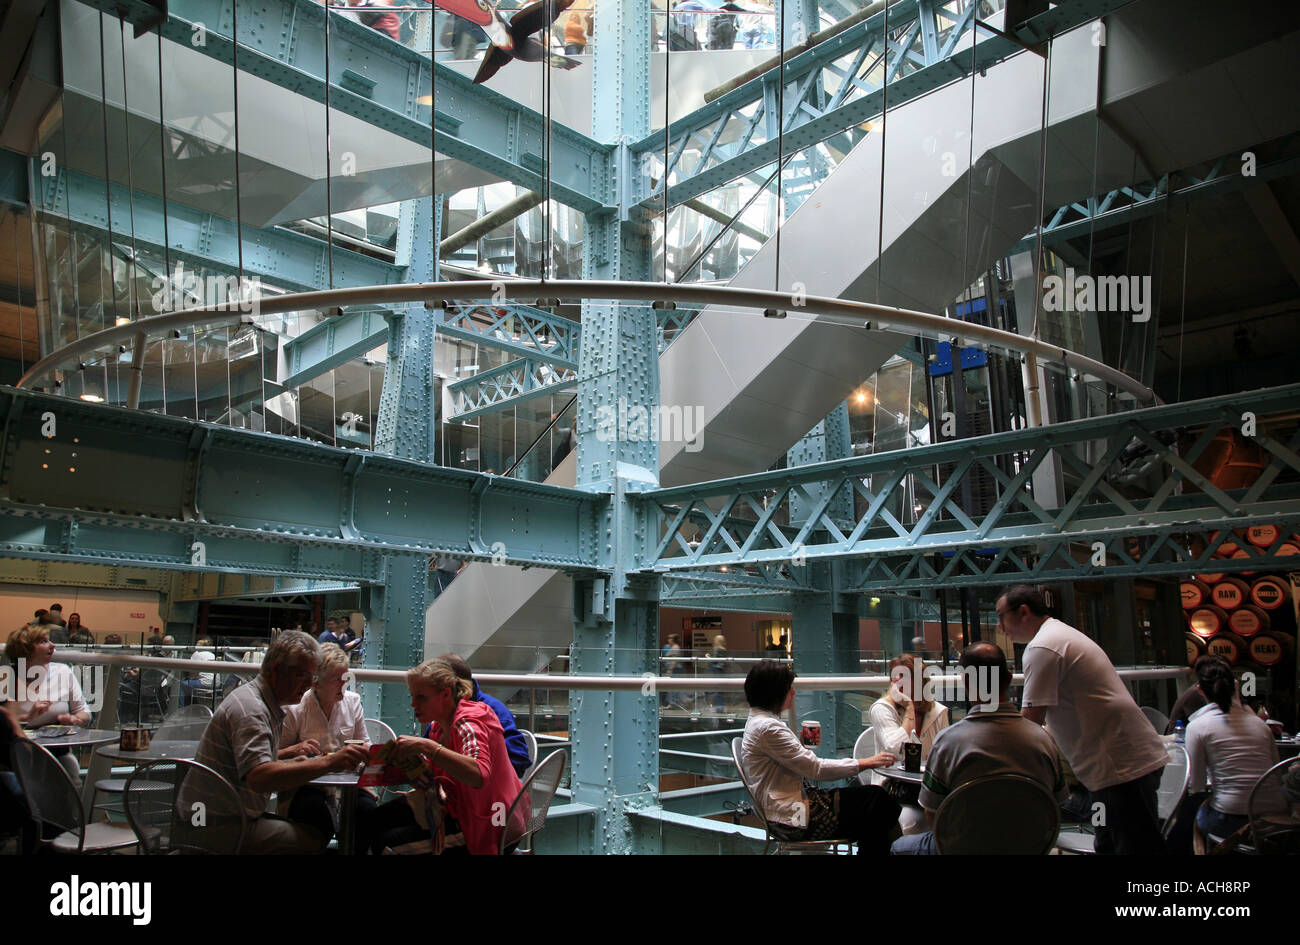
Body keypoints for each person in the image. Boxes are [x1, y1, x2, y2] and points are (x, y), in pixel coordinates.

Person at [998, 584, 1168, 854]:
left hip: (1120, 768)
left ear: (1023, 612)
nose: (1000, 627)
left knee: (1133, 847)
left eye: (1001, 617)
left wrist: (994, 754)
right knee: (1110, 844)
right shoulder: (1057, 635)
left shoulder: (1043, 646)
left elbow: (1030, 721)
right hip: (1119, 765)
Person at [190, 630, 369, 853]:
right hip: (219, 825)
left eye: (311, 678)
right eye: (303, 676)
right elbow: (260, 777)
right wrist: (330, 763)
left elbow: (252, 765)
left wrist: (291, 760)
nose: (308, 684)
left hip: (212, 816)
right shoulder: (253, 711)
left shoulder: (257, 701)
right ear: (276, 670)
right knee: (314, 838)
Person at [890, 643, 1067, 854]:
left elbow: (932, 813)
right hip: (1029, 846)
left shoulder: (948, 742)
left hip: (962, 847)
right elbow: (1057, 804)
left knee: (898, 847)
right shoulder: (1043, 740)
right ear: (1009, 679)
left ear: (966, 683)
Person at [740, 660, 901, 853]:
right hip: (793, 820)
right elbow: (816, 769)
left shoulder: (758, 722)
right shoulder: (768, 728)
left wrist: (797, 745)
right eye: (789, 688)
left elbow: (799, 764)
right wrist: (866, 762)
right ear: (775, 692)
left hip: (784, 813)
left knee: (876, 806)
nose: (793, 692)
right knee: (877, 802)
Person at [369, 658, 524, 855]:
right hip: (461, 810)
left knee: (386, 842)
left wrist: (429, 747)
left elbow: (479, 773)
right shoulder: (437, 726)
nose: (413, 704)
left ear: (445, 694)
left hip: (489, 823)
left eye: (421, 697)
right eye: (412, 696)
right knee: (375, 819)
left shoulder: (468, 722)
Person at [278, 643, 377, 854]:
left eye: (345, 678)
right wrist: (295, 750)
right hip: (307, 785)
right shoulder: (295, 709)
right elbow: (274, 757)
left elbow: (365, 745)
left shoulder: (353, 702)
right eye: (336, 680)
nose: (344, 685)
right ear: (316, 683)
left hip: (348, 786)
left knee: (367, 813)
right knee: (315, 816)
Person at [1184, 655, 1280, 844]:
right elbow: (1275, 771)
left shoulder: (1197, 726)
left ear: (1200, 690)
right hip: (1274, 817)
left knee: (1191, 814)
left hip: (1231, 816)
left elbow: (1197, 785)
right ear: (1235, 686)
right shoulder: (1259, 724)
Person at [867, 653, 949, 821]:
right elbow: (895, 749)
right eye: (894, 675)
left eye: (904, 675)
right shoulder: (882, 709)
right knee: (911, 820)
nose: (897, 680)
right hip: (894, 789)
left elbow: (946, 755)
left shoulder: (938, 712)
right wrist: (910, 709)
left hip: (929, 787)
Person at [4, 624, 91, 780]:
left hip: (58, 752)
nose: (52, 645)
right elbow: (3, 724)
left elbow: (84, 711)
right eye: (44, 641)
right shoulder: (7, 678)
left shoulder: (63, 671)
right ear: (26, 648)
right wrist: (28, 718)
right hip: (17, 754)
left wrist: (74, 720)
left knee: (70, 772)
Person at [439, 654, 531, 778]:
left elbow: (518, 762)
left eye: (422, 697)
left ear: (447, 691)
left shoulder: (493, 711)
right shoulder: (441, 717)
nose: (414, 704)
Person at [708, 634, 728, 713]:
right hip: (721, 672)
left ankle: (718, 707)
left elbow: (714, 661)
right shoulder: (724, 649)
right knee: (720, 690)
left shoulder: (718, 649)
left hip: (716, 671)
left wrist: (707, 657)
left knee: (716, 689)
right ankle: (720, 706)